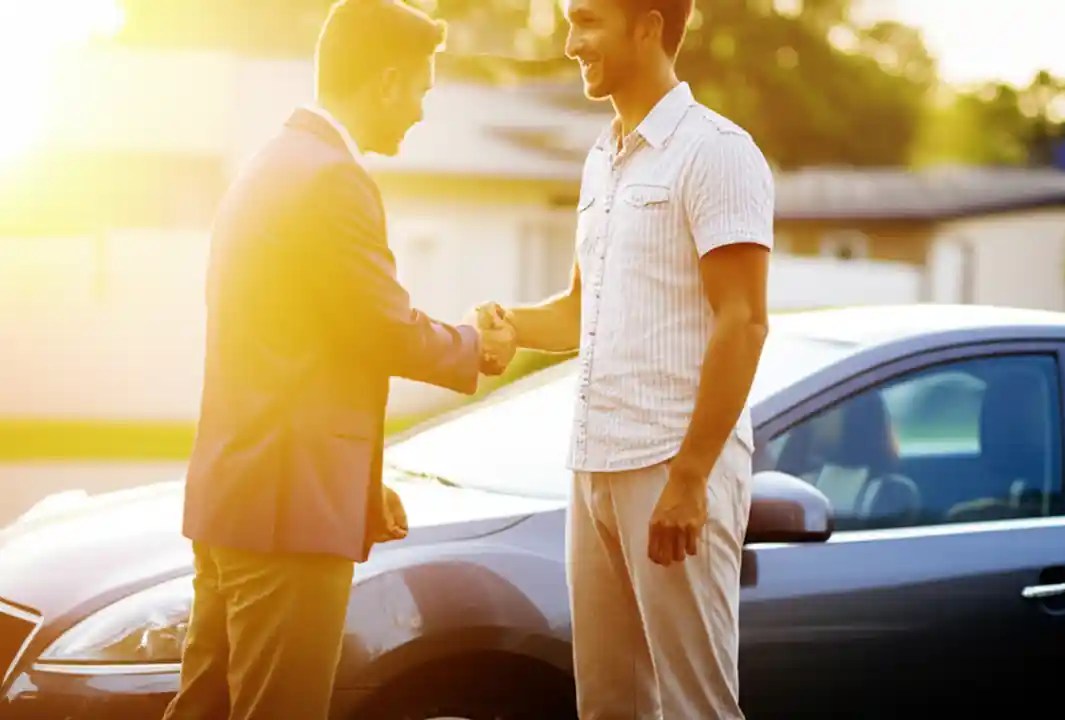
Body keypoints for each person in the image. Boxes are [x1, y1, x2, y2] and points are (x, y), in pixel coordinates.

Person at [163, 2, 516, 718]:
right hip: (287, 519)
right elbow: (383, 330)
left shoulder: (271, 165)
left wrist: (363, 479)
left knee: (203, 709)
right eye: (420, 88)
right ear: (387, 81)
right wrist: (481, 347)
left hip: (237, 499)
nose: (420, 110)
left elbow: (306, 349)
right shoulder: (332, 180)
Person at [476, 0, 774, 716]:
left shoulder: (717, 151)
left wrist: (690, 478)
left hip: (672, 466)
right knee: (607, 703)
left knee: (693, 705)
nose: (571, 42)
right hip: (594, 466)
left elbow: (745, 321)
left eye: (586, 22)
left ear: (648, 24)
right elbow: (585, 311)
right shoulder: (601, 158)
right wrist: (510, 323)